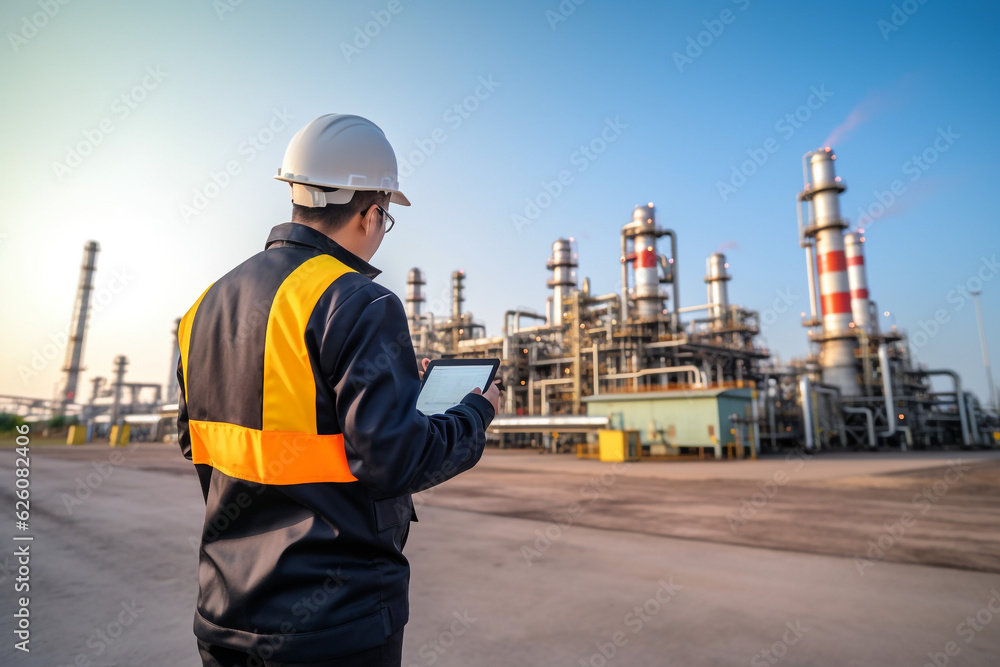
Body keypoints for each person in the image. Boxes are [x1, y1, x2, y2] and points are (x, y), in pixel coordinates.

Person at [175, 113, 501, 667]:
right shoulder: (359, 302)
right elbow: (394, 461)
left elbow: (197, 443)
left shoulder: (202, 308)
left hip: (224, 617)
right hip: (332, 626)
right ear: (373, 212)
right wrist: (474, 413)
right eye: (386, 218)